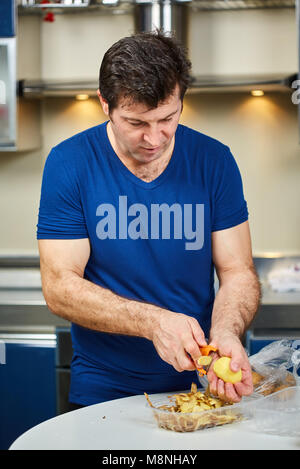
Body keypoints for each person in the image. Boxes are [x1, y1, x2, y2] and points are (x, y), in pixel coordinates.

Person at [37, 31, 261, 409]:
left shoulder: (214, 160)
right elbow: (59, 286)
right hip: (102, 388)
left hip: (201, 385)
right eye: (136, 123)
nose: (155, 138)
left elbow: (238, 271)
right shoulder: (69, 163)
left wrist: (225, 330)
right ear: (104, 104)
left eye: (168, 119)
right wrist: (153, 323)